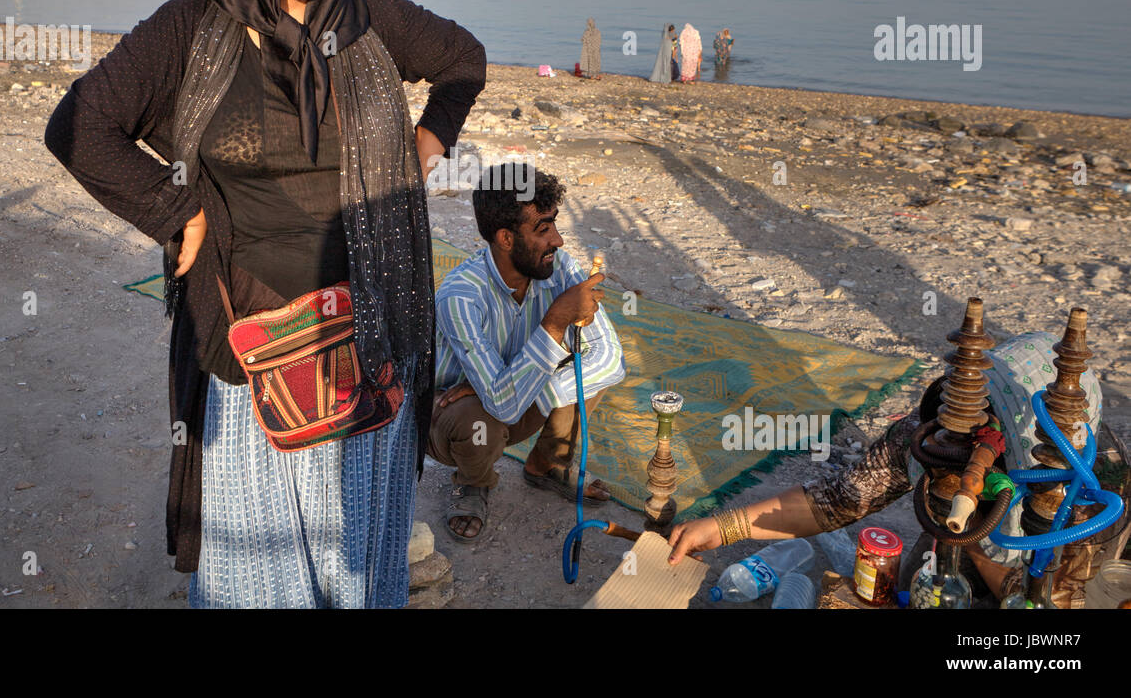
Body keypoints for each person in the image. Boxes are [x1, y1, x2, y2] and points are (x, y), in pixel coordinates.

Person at [45, 0, 486, 608]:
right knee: (258, 583)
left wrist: (424, 145)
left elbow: (465, 59)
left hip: (367, 352)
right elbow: (78, 125)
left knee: (360, 579)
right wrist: (173, 211)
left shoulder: (367, 19)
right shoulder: (193, 28)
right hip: (251, 366)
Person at [667, 330, 1130, 607]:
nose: (963, 452)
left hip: (1044, 575)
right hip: (958, 539)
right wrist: (724, 526)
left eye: (987, 444)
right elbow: (837, 501)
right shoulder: (934, 435)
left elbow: (1042, 595)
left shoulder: (1087, 492)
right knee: (915, 582)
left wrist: (980, 549)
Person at [429, 164, 626, 541]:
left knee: (587, 370)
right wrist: (554, 325)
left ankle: (546, 464)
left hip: (511, 396)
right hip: (448, 412)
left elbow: (611, 360)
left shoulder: (560, 266)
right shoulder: (461, 295)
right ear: (505, 238)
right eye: (542, 229)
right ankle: (473, 483)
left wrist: (521, 383)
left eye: (554, 224)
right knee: (479, 418)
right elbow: (501, 407)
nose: (559, 241)